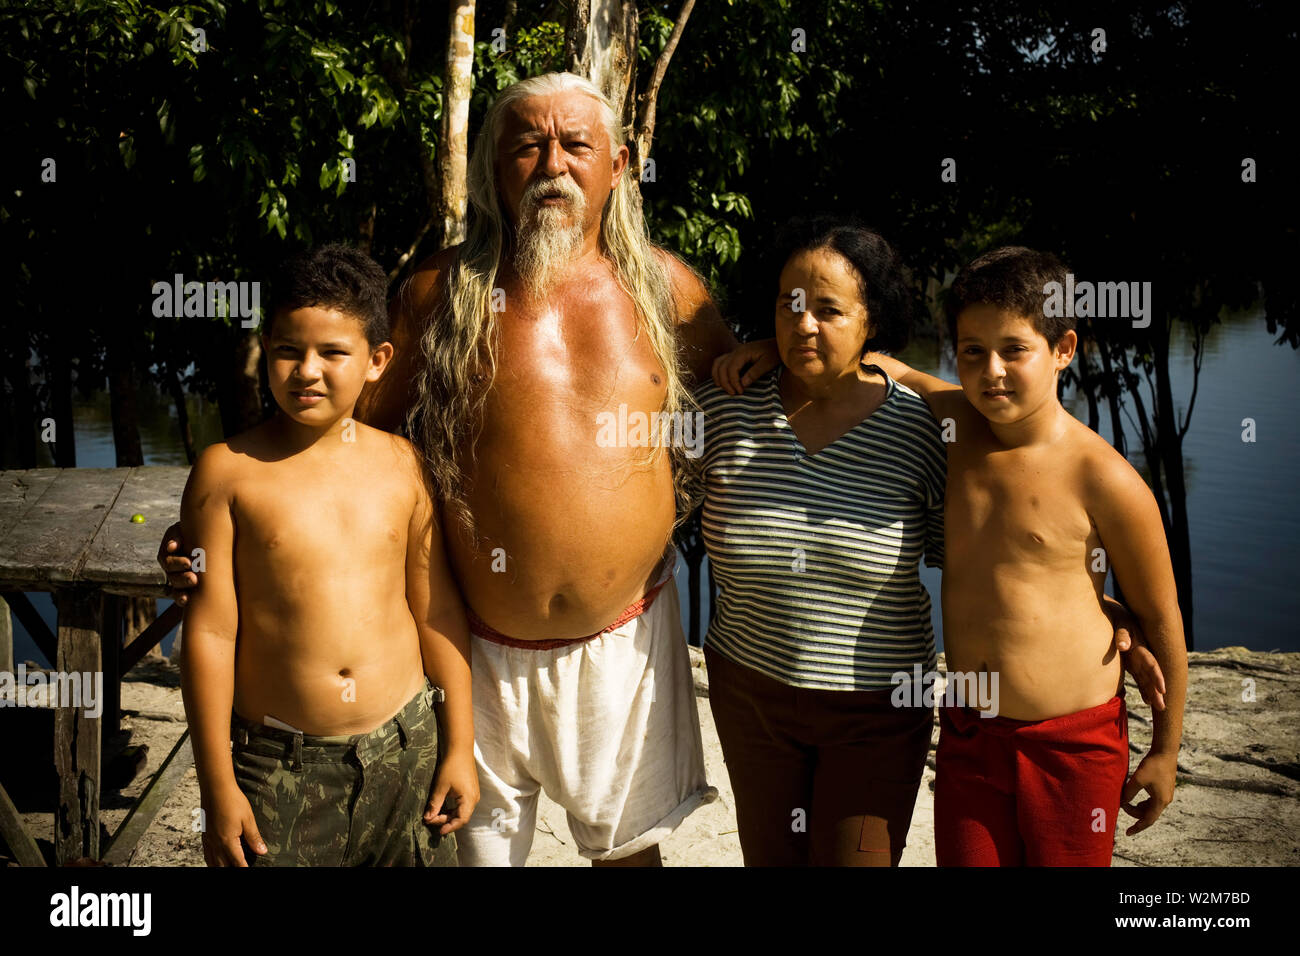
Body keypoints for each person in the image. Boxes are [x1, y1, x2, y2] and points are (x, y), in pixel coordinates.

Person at [163, 73, 735, 867]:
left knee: (630, 856)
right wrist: (212, 536)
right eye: (527, 145)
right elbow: (342, 442)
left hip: (627, 639)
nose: (552, 165)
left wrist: (866, 371)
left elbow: (753, 402)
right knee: (473, 856)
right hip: (471, 644)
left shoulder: (671, 293)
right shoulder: (439, 292)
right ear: (494, 167)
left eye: (576, 144)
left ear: (621, 163)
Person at [871, 246, 1188, 866]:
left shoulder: (1105, 478)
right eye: (971, 351)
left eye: (1014, 349)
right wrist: (774, 349)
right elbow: (876, 364)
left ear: (1063, 348)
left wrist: (1166, 750)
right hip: (969, 731)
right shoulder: (955, 427)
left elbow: (1164, 617)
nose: (991, 371)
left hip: (1072, 745)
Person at [177, 244, 475, 867]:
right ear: (266, 350)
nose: (307, 371)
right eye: (288, 350)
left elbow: (436, 608)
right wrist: (218, 785)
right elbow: (209, 630)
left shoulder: (405, 466)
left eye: (333, 353)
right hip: (277, 767)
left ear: (376, 360)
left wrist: (459, 746)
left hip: (407, 749)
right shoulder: (227, 473)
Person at [695, 218, 943, 865]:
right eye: (790, 305)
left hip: (878, 711)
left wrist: (1103, 611)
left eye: (829, 310)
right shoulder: (724, 412)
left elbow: (986, 559)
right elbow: (637, 516)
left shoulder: (918, 432)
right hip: (751, 699)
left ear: (873, 320)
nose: (804, 324)